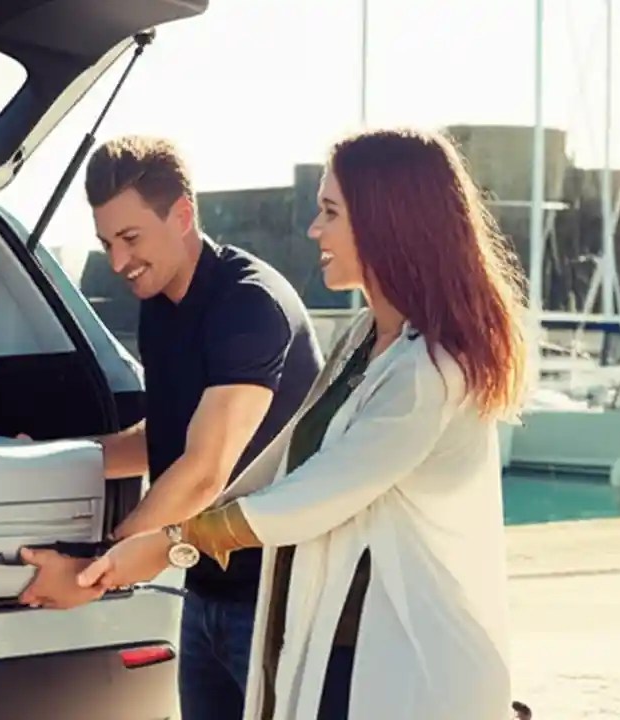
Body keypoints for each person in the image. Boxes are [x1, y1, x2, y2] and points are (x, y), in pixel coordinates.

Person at [76, 127, 528, 720]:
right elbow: (277, 466)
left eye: (331, 212)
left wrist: (167, 545)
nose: (315, 229)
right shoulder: (362, 340)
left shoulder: (429, 372)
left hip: (412, 664)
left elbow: (315, 494)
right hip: (333, 641)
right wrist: (111, 540)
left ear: (386, 220)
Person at [17, 135, 324, 720]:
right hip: (201, 589)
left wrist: (94, 571)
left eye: (130, 238)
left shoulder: (247, 304)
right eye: (107, 242)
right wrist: (51, 459)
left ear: (182, 215)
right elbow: (157, 441)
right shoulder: (159, 305)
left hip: (274, 603)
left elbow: (206, 470)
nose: (117, 261)